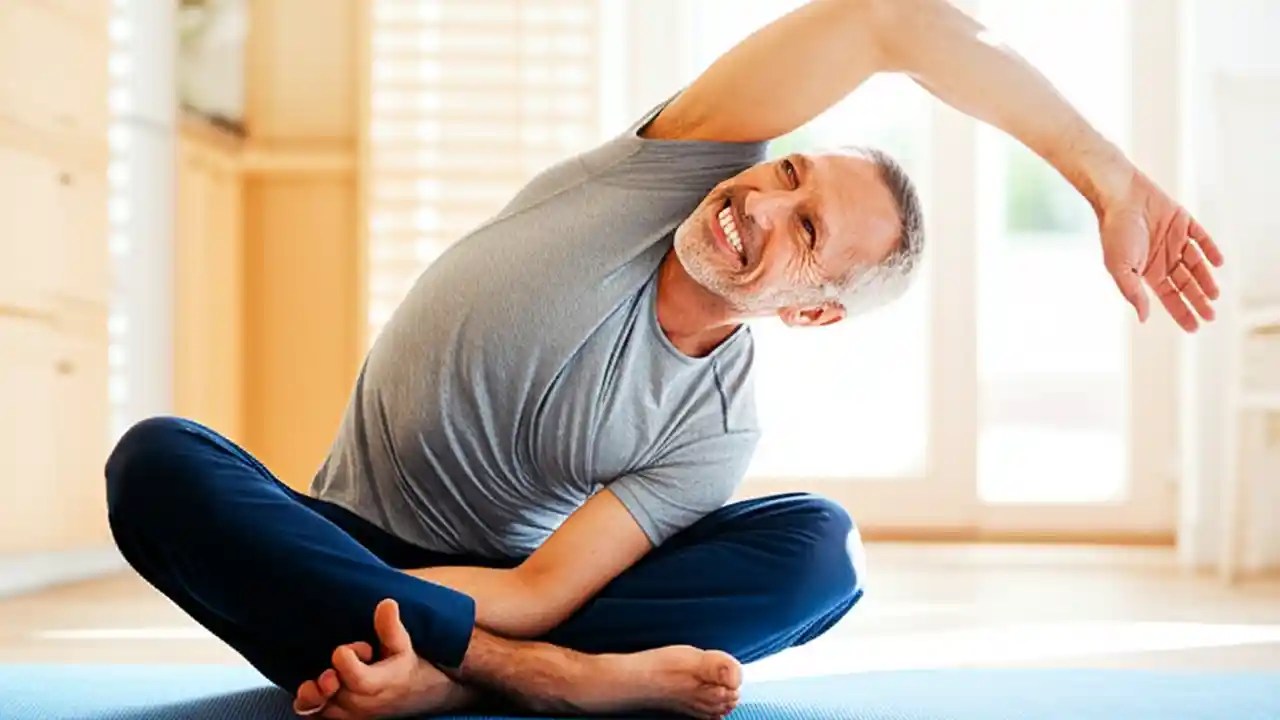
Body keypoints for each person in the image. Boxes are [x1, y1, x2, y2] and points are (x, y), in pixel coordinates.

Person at [104, 0, 1224, 718]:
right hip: (338, 555)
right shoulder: (665, 169)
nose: (759, 202)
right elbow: (889, 19)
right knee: (157, 464)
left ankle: (433, 673)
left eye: (805, 230)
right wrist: (1109, 181)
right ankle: (509, 686)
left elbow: (537, 590)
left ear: (812, 314)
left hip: (448, 597)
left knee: (822, 553)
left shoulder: (713, 427)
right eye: (787, 174)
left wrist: (484, 627)